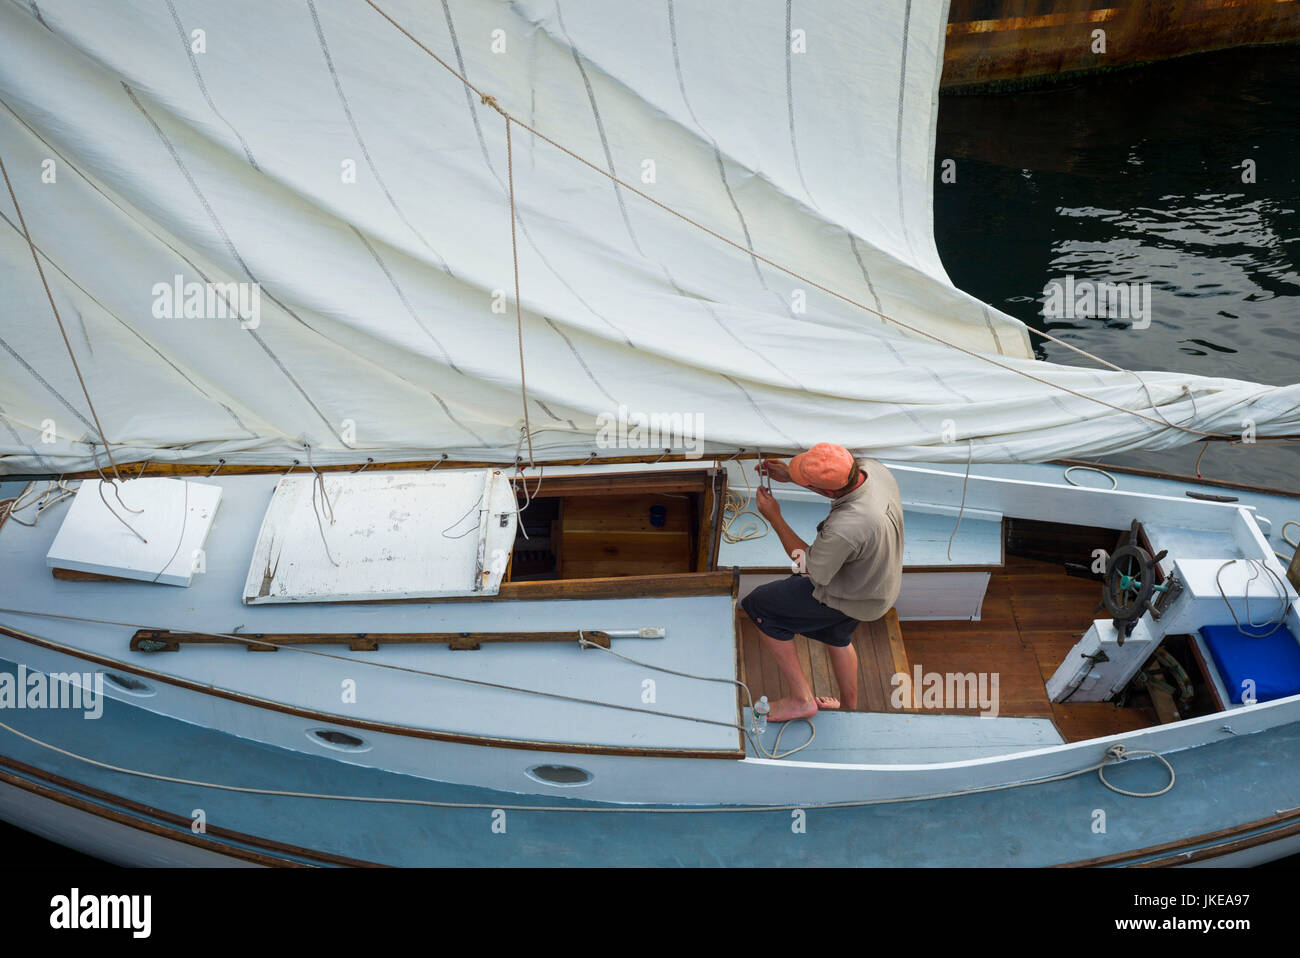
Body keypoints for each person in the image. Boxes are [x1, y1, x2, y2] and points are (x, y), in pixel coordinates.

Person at [741, 443, 904, 722]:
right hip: (876, 589)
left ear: (828, 491)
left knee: (758, 605)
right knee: (837, 637)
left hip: (851, 596)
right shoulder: (874, 470)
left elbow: (808, 568)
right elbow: (837, 486)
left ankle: (801, 700)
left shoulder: (847, 527)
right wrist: (792, 475)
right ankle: (849, 708)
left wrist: (774, 517)